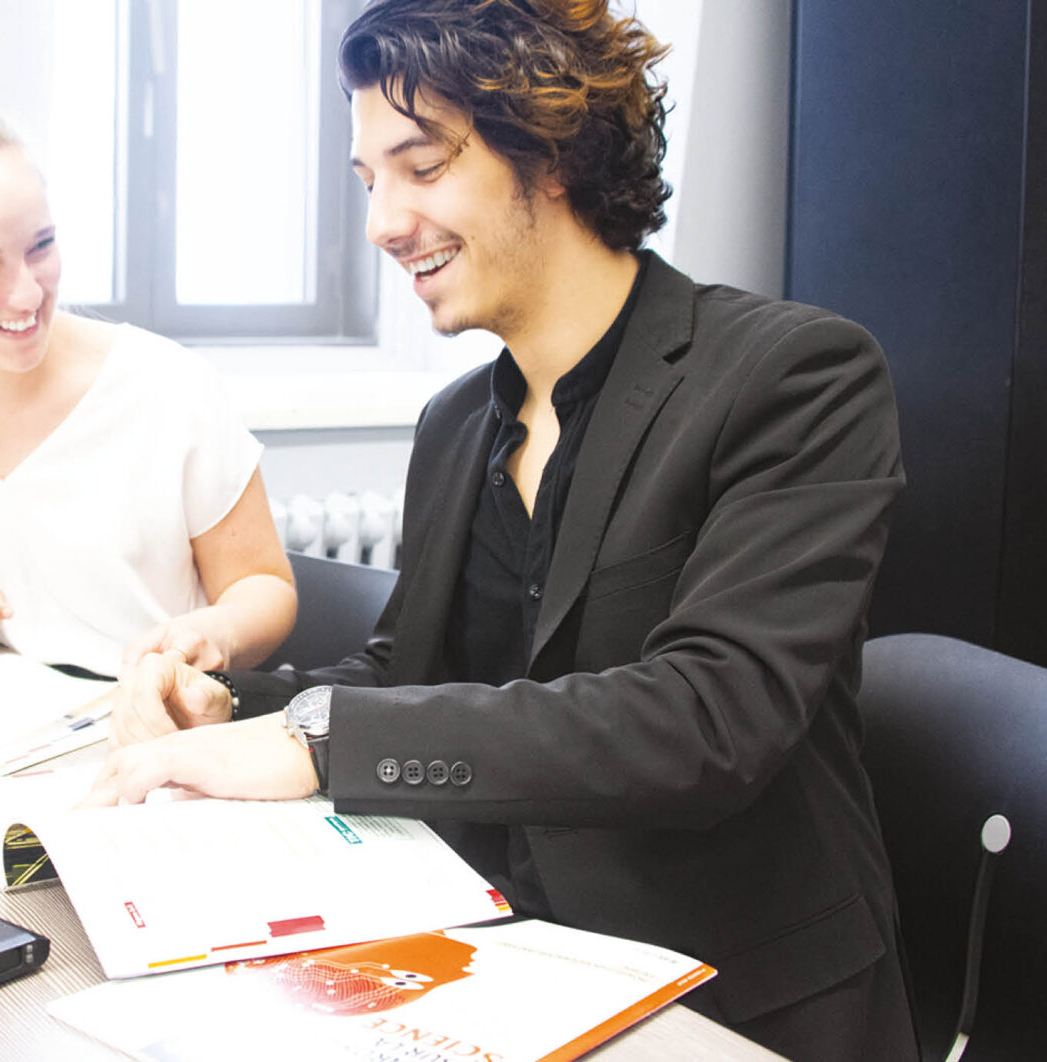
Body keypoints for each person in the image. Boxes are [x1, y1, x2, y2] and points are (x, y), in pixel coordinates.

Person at [85, 2, 916, 1058]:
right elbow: (408, 671)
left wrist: (318, 741)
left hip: (728, 997)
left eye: (422, 167)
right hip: (502, 962)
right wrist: (228, 711)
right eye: (369, 181)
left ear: (551, 149)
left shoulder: (794, 377)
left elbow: (710, 721)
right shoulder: (454, 425)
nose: (384, 223)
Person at [0, 89, 296, 679]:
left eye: (41, 246)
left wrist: (216, 631)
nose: (27, 294)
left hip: (149, 731)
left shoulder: (169, 389)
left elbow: (266, 586)